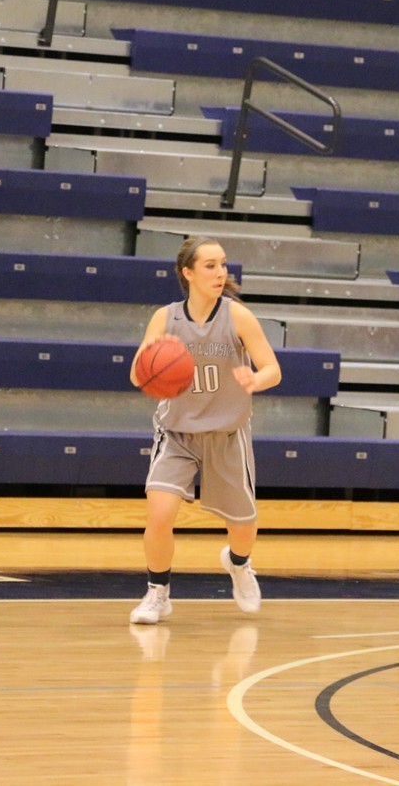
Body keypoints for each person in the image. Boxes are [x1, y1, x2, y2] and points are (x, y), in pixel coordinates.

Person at [128, 236, 281, 625]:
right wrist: (150, 362)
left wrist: (255, 379)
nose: (220, 272)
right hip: (177, 432)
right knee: (159, 514)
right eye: (210, 265)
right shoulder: (166, 318)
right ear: (188, 272)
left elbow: (272, 369)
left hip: (227, 434)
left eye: (223, 264)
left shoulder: (238, 316)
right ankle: (157, 592)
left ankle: (238, 564)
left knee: (244, 526)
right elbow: (136, 376)